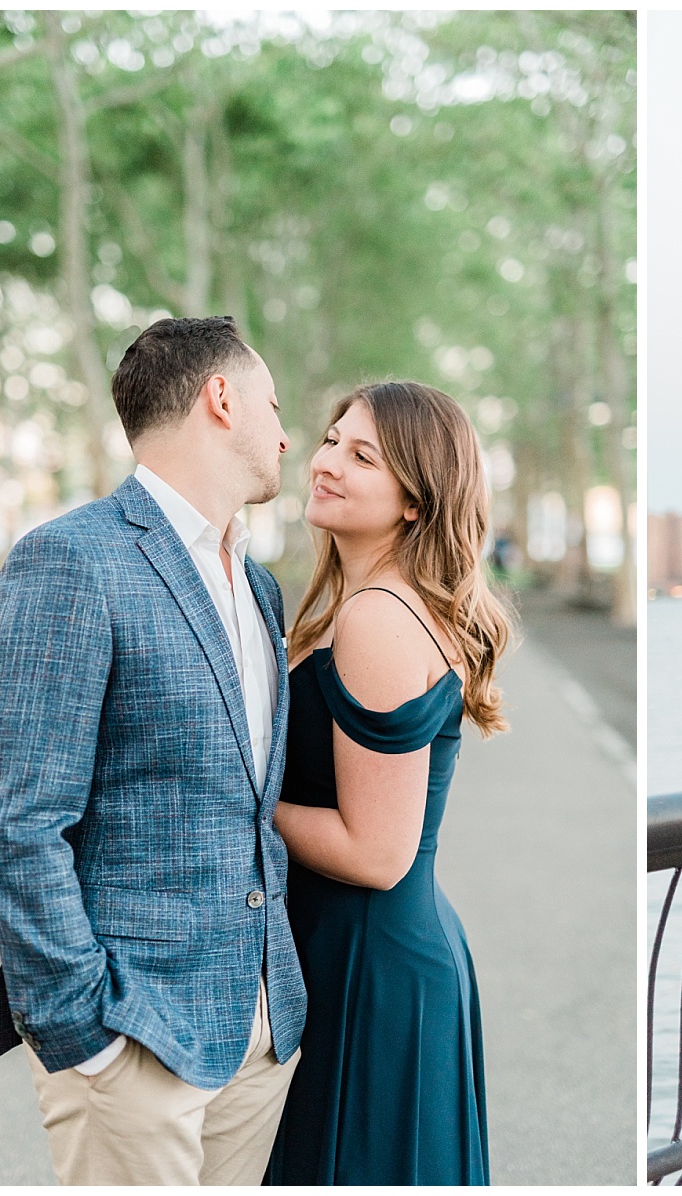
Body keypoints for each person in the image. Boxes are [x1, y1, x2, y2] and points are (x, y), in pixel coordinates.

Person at [0, 316, 306, 1184]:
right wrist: (81, 1036)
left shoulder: (259, 586)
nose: (286, 433)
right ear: (221, 398)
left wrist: (274, 1014)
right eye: (274, 405)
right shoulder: (70, 561)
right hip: (132, 1039)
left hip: (260, 1032)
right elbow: (18, 826)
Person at [265, 381, 514, 1185]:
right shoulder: (354, 601)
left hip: (368, 963)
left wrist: (239, 801)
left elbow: (376, 853)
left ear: (415, 503)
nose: (327, 462)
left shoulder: (377, 615)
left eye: (362, 455)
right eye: (333, 440)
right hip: (352, 948)